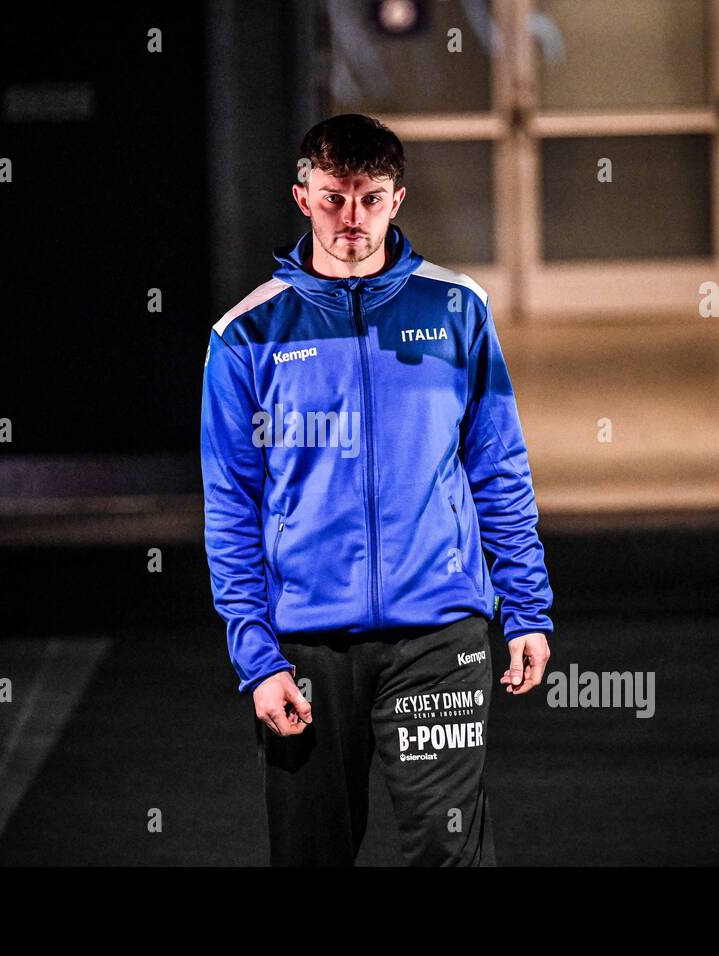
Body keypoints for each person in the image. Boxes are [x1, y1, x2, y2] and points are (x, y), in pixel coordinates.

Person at [200, 113, 554, 866]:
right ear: (303, 198)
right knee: (310, 856)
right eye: (333, 198)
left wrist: (525, 607)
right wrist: (256, 657)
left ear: (398, 200)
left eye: (369, 198)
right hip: (305, 642)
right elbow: (231, 505)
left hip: (439, 631)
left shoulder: (456, 309)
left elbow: (498, 467)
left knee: (448, 853)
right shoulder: (246, 335)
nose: (351, 219)